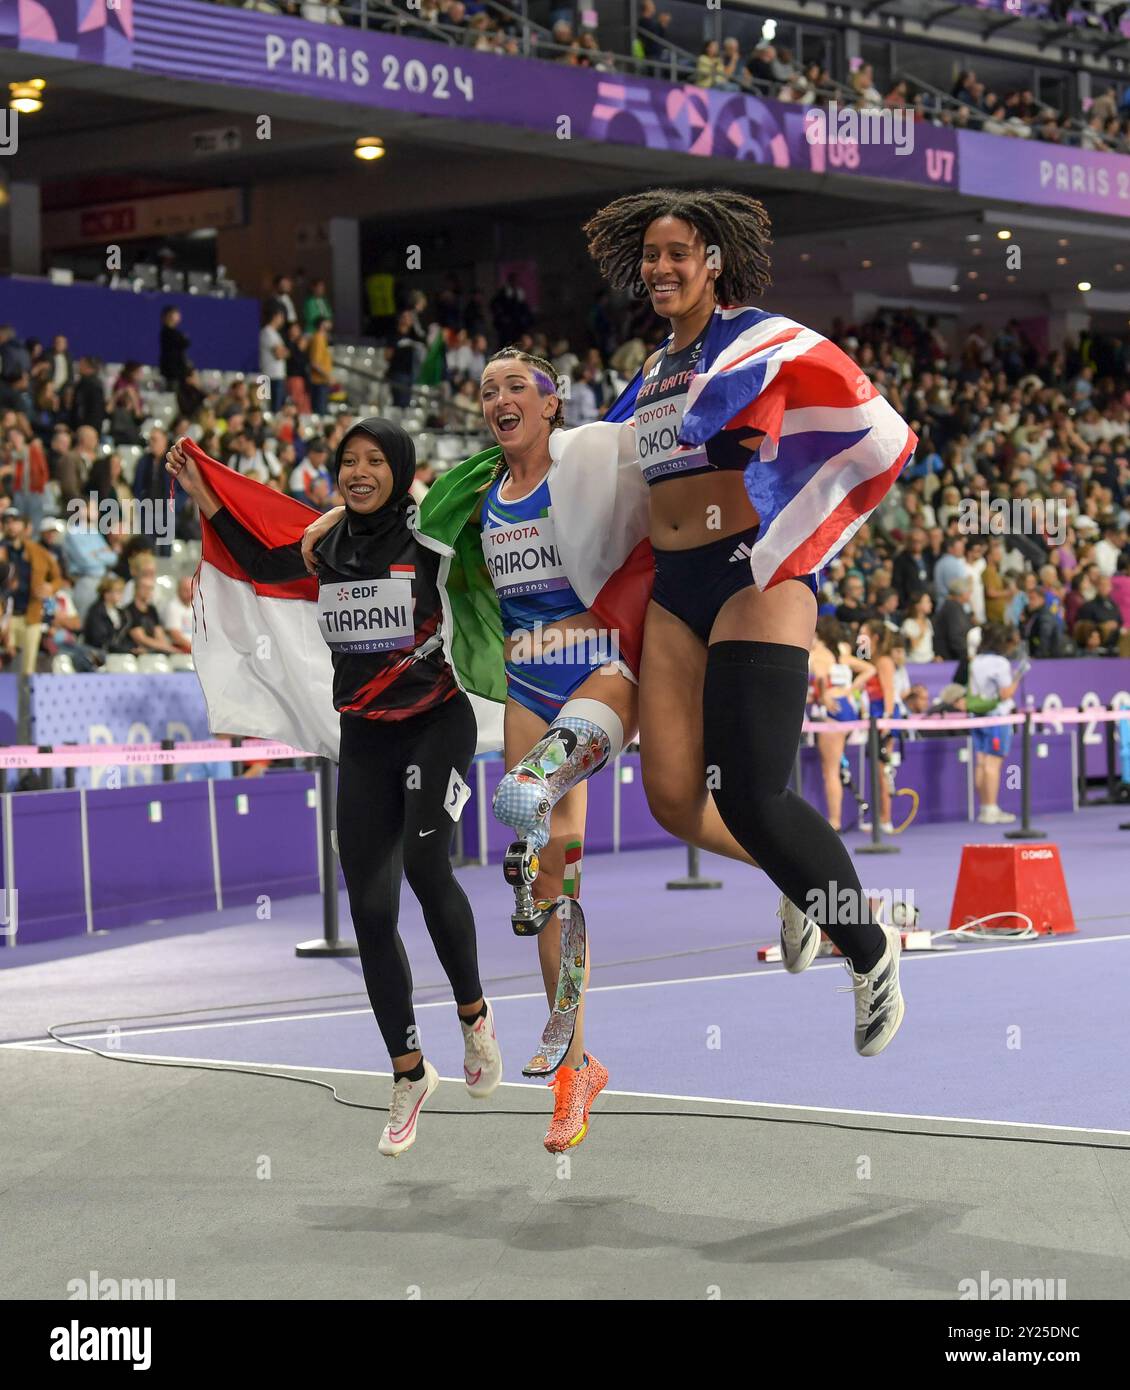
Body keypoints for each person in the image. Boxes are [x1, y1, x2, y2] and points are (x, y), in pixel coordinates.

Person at [583, 187, 915, 1054]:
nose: (661, 267)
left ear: (712, 262)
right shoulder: (648, 372)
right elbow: (600, 469)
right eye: (650, 254)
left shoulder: (752, 336)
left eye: (678, 252)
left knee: (752, 792)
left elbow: (819, 378)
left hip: (756, 570)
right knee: (674, 801)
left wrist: (737, 414)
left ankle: (870, 950)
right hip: (675, 586)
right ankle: (804, 881)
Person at [300, 350, 648, 1152]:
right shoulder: (476, 493)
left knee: (532, 802)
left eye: (517, 385)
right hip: (529, 690)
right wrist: (329, 513)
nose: (499, 397)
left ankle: (808, 897)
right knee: (556, 875)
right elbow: (404, 513)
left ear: (554, 401)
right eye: (488, 388)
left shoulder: (586, 462)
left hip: (600, 670)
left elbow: (638, 473)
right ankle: (575, 1073)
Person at [166, 420, 502, 1157]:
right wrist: (207, 497)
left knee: (424, 866)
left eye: (375, 461)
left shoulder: (433, 534)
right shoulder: (325, 544)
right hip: (366, 737)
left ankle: (475, 1016)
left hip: (436, 724)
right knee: (371, 909)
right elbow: (260, 559)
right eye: (348, 461)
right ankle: (409, 1071)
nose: (359, 472)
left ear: (401, 469)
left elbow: (495, 498)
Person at [808, 617, 874, 834]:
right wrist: (850, 690)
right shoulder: (843, 655)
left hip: (832, 710)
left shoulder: (819, 655)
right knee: (837, 766)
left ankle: (834, 820)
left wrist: (824, 696)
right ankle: (836, 817)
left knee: (831, 771)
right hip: (848, 709)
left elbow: (820, 679)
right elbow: (869, 669)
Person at [968, 623, 1024, 825]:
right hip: (996, 717)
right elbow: (1004, 693)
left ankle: (985, 807)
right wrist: (1019, 675)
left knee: (982, 762)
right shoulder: (1000, 663)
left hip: (977, 716)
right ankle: (991, 808)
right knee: (993, 762)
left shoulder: (976, 661)